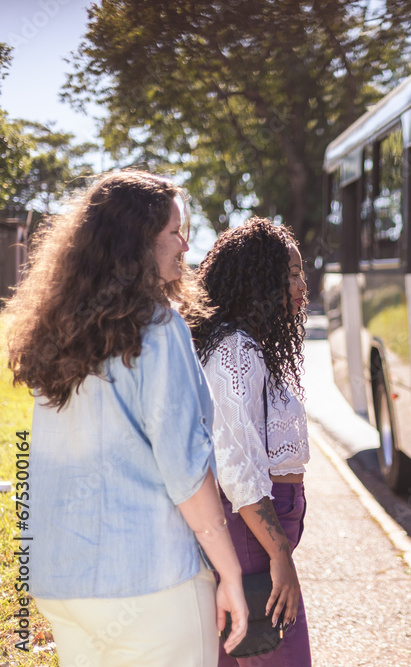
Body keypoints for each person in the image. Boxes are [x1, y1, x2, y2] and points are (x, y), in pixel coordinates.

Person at [3, 171, 249, 666]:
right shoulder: (159, 328)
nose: (186, 244)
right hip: (152, 585)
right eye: (175, 232)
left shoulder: (59, 336)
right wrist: (231, 574)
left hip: (66, 585)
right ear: (137, 245)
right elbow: (187, 473)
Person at [190, 217, 311, 666]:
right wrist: (280, 555)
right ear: (259, 279)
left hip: (259, 528)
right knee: (278, 654)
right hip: (251, 532)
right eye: (291, 273)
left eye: (301, 272)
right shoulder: (236, 350)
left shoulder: (247, 343)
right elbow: (237, 470)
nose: (302, 284)